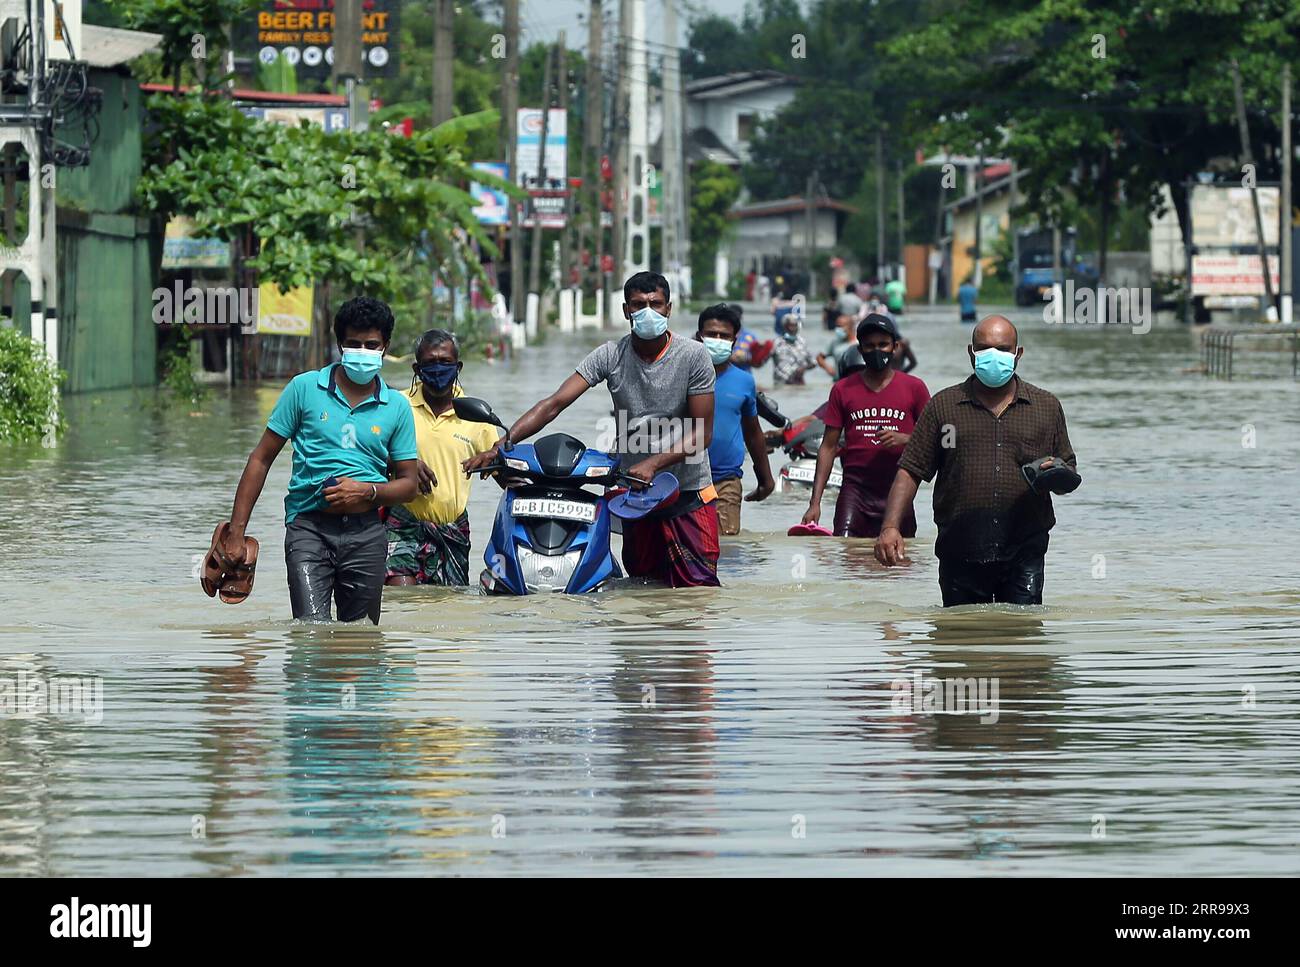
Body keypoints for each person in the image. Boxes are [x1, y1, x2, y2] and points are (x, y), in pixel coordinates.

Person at [463, 271, 721, 588]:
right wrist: (501, 446)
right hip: (635, 493)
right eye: (639, 305)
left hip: (688, 491)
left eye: (656, 303)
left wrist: (653, 464)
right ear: (626, 310)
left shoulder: (694, 356)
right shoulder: (611, 355)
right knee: (643, 587)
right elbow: (554, 403)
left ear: (669, 308)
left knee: (699, 591)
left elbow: (702, 433)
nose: (648, 311)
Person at [221, 297, 420, 623]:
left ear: (385, 346)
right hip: (308, 529)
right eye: (353, 344)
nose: (362, 351)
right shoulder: (304, 389)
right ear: (340, 344)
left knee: (361, 640)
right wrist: (236, 532)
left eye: (372, 344)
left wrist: (366, 491)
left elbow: (409, 484)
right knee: (310, 630)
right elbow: (260, 459)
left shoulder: (396, 406)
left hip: (366, 534)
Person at [874, 315, 1081, 606]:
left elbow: (1069, 472)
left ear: (1018, 353)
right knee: (960, 638)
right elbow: (910, 470)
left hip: (1024, 552)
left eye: (1003, 349)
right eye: (984, 349)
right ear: (971, 353)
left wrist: (1056, 474)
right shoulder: (943, 407)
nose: (993, 356)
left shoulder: (1046, 407)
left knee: (1024, 640)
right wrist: (890, 527)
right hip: (960, 552)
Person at [380, 329, 499, 587]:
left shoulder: (476, 414)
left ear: (458, 366)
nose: (437, 369)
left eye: (445, 362)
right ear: (416, 367)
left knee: (448, 610)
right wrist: (403, 464)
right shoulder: (396, 405)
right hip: (403, 523)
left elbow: (503, 472)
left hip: (452, 528)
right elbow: (367, 451)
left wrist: (499, 463)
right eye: (430, 363)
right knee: (402, 599)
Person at [802, 314, 930, 538]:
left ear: (895, 347)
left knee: (900, 561)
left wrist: (904, 438)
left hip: (899, 489)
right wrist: (815, 503)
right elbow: (828, 447)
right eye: (870, 346)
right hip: (855, 490)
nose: (877, 350)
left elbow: (936, 436)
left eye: (883, 344)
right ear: (860, 350)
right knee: (847, 552)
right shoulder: (842, 389)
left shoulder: (914, 388)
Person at [697, 304, 775, 535]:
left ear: (735, 339)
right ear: (700, 336)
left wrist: (766, 479)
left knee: (726, 547)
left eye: (724, 336)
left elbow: (753, 432)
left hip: (726, 480)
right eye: (712, 334)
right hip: (684, 479)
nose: (718, 339)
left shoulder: (743, 381)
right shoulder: (681, 374)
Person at [771, 313, 818, 385]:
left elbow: (813, 362)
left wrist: (803, 368)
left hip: (798, 383)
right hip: (781, 384)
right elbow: (760, 361)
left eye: (795, 325)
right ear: (785, 327)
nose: (794, 328)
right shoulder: (776, 343)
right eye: (791, 325)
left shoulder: (802, 342)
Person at [727, 303, 773, 370]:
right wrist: (730, 357)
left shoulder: (750, 337)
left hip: (744, 373)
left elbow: (756, 362)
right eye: (731, 317)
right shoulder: (721, 335)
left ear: (741, 317)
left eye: (737, 317)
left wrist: (746, 358)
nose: (734, 320)